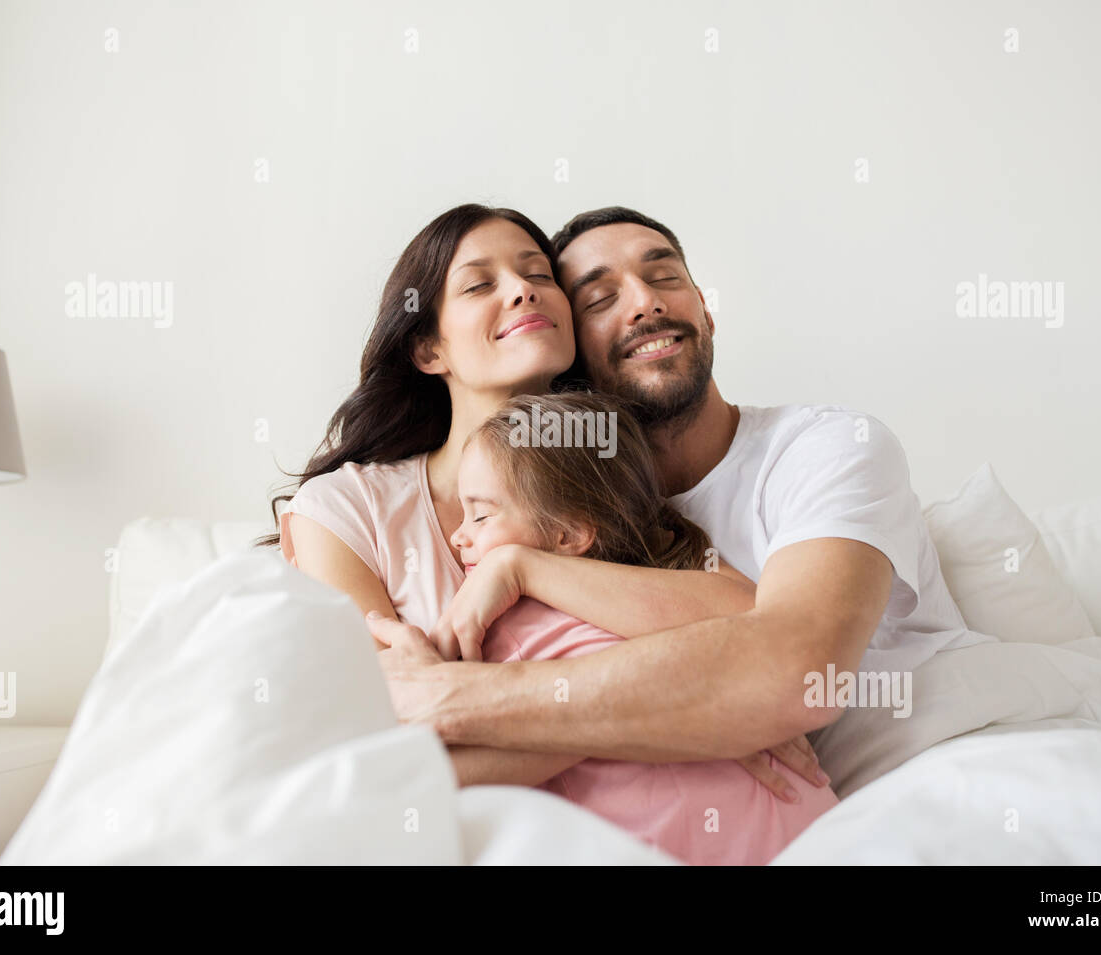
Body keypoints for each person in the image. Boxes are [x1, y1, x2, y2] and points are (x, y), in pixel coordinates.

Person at [368, 206, 997, 768]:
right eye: (599, 298)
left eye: (665, 276)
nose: (645, 302)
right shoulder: (582, 530)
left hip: (955, 746)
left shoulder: (825, 446)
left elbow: (802, 671)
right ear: (571, 350)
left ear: (706, 310)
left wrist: (451, 695)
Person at [261, 203, 825, 801]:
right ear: (429, 350)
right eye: (481, 284)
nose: (523, 292)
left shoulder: (601, 467)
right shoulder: (349, 509)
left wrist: (522, 568)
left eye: (539, 276)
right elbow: (379, 758)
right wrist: (685, 715)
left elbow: (743, 619)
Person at [447, 391, 838, 865]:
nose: (458, 535)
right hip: (815, 828)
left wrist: (516, 566)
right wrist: (686, 717)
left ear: (569, 535)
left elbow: (754, 616)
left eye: (481, 514)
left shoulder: (505, 619)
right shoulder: (667, 588)